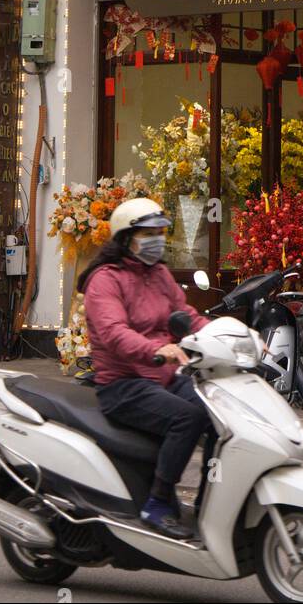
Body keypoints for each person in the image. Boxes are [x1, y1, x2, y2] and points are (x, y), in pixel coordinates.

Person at [79, 197, 213, 539]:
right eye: (148, 233)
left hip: (165, 377)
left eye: (160, 232)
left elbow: (187, 316)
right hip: (123, 382)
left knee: (219, 412)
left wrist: (233, 336)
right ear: (126, 237)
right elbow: (113, 333)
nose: (157, 239)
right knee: (188, 418)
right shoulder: (105, 280)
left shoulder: (160, 274)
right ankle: (157, 503)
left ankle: (209, 504)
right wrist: (157, 349)